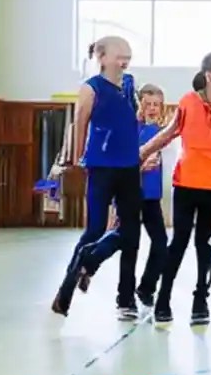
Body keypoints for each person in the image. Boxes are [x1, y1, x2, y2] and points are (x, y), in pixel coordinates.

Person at [139, 51, 211, 327]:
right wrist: (141, 153)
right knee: (179, 241)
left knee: (203, 243)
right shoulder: (188, 102)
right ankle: (163, 299)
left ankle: (201, 299)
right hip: (186, 183)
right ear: (209, 76)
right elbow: (169, 132)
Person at [51, 36, 144, 320]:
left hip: (130, 166)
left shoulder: (130, 84)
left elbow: (132, 117)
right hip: (101, 166)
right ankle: (65, 293)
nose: (124, 61)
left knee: (131, 234)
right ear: (102, 58)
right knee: (94, 230)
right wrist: (75, 160)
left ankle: (124, 298)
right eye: (119, 55)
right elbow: (80, 123)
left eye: (128, 56)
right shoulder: (91, 88)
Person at [72, 84, 170, 315]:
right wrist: (139, 165)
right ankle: (123, 296)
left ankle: (145, 288)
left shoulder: (161, 132)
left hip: (151, 196)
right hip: (130, 193)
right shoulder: (130, 130)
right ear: (140, 105)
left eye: (156, 104)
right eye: (148, 104)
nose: (152, 108)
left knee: (160, 242)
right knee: (128, 244)